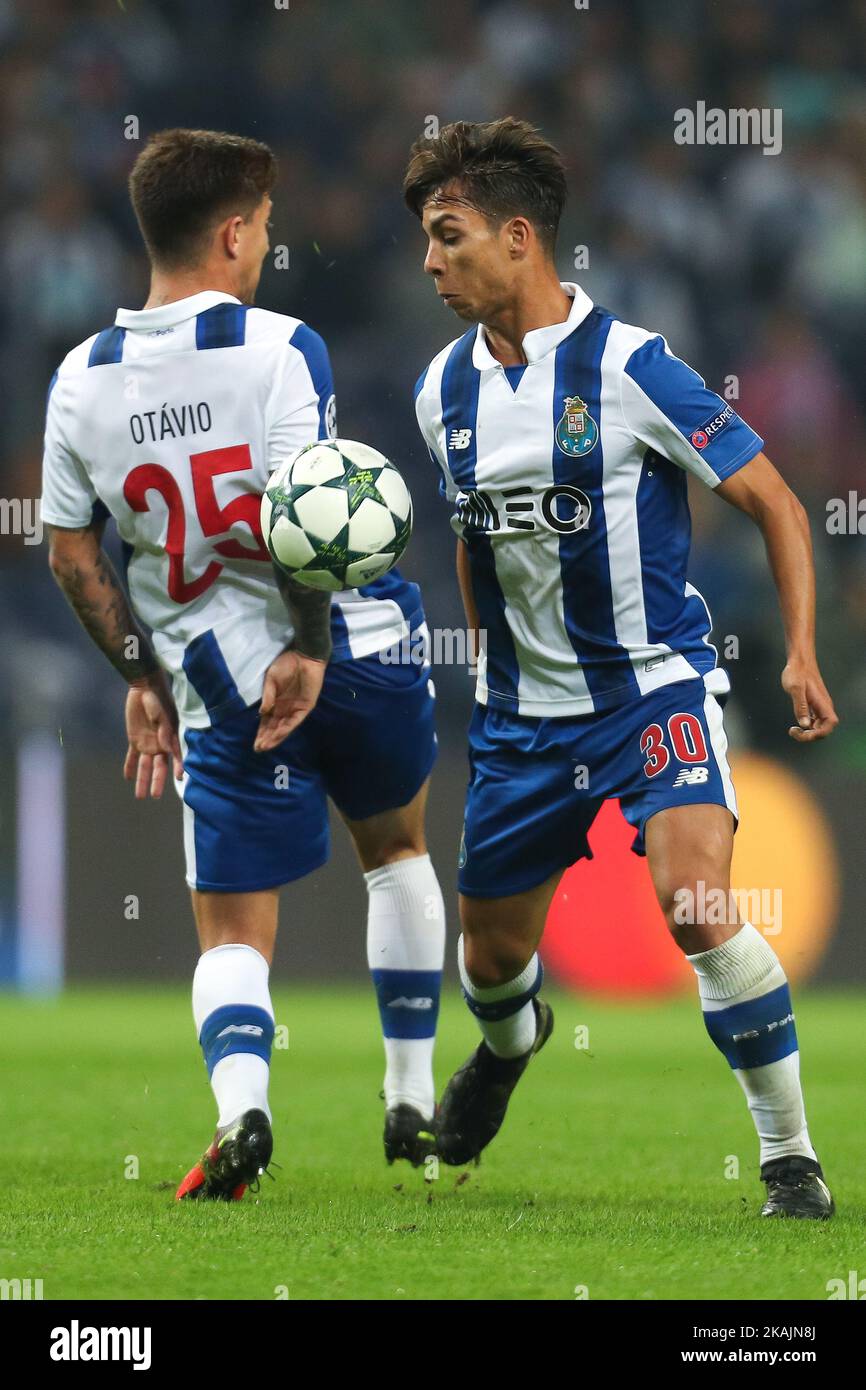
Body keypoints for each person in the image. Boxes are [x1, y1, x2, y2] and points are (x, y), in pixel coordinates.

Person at [406, 117, 838, 1219]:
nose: (429, 262)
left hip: (651, 688)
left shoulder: (631, 366)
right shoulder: (438, 392)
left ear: (517, 237)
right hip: (519, 723)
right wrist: (492, 669)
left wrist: (797, 649)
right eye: (423, 239)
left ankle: (788, 1159)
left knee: (696, 903)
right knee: (490, 964)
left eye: (447, 236)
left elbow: (774, 501)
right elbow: (470, 536)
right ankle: (509, 1046)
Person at [41, 128, 445, 1200]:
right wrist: (308, 648)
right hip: (351, 651)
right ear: (230, 231)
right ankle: (408, 1096)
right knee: (396, 854)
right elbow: (300, 512)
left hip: (215, 685)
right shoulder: (281, 346)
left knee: (230, 927)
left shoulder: (79, 382)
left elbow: (72, 550)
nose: (267, 243)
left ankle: (243, 1112)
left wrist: (141, 670)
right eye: (262, 226)